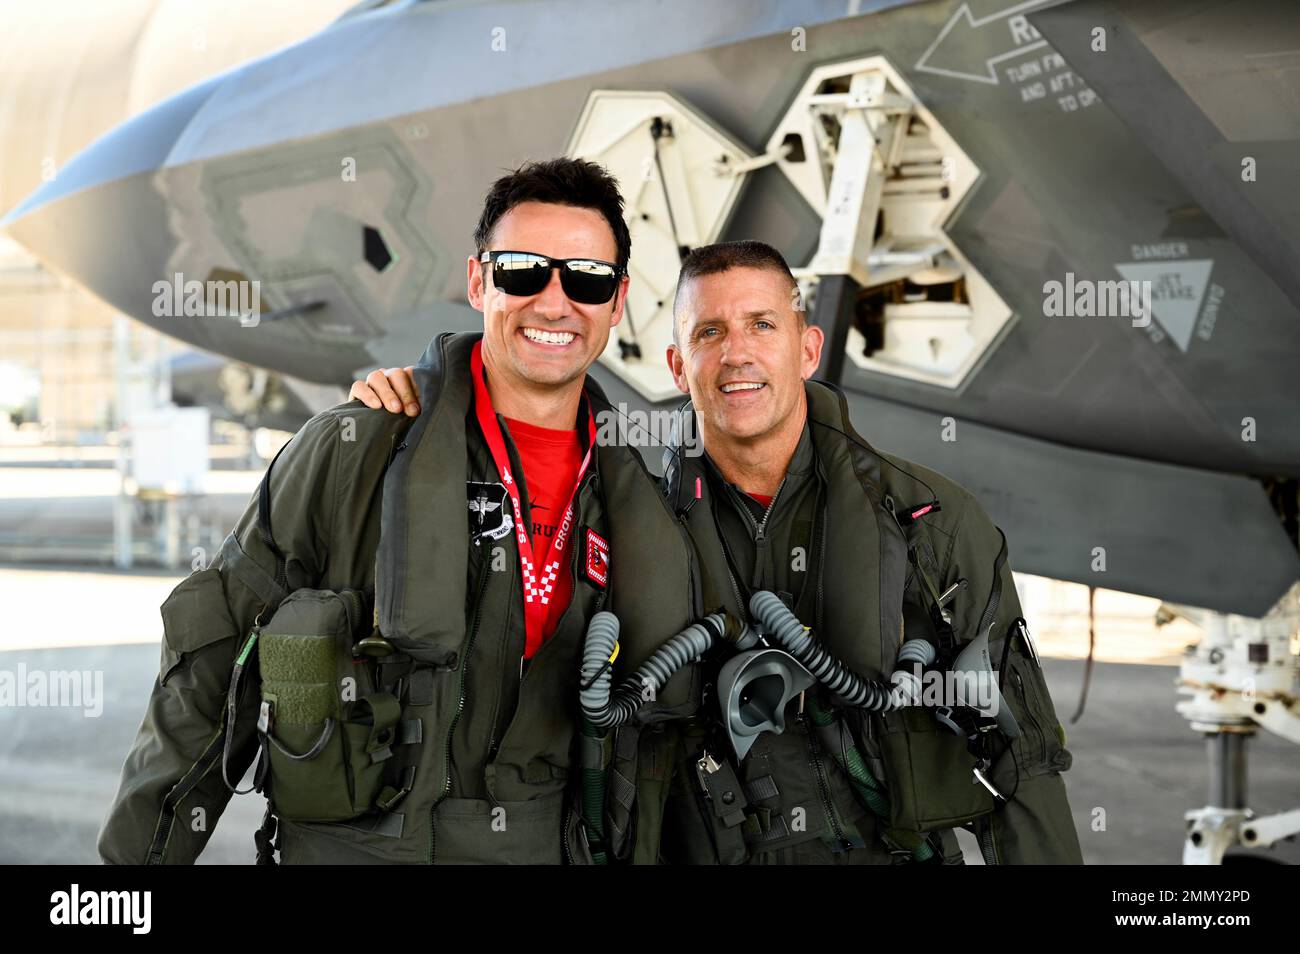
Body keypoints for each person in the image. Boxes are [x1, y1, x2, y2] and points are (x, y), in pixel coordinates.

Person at [353, 240, 1083, 865]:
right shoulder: (625, 529)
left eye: (762, 324)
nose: (736, 353)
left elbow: (1022, 761)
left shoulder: (928, 523)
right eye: (709, 333)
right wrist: (409, 403)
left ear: (807, 348)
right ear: (677, 364)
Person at [98, 157, 697, 864]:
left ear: (618, 299)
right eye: (522, 271)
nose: (554, 302)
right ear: (478, 281)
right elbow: (209, 673)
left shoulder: (633, 500)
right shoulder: (359, 450)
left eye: (586, 278)